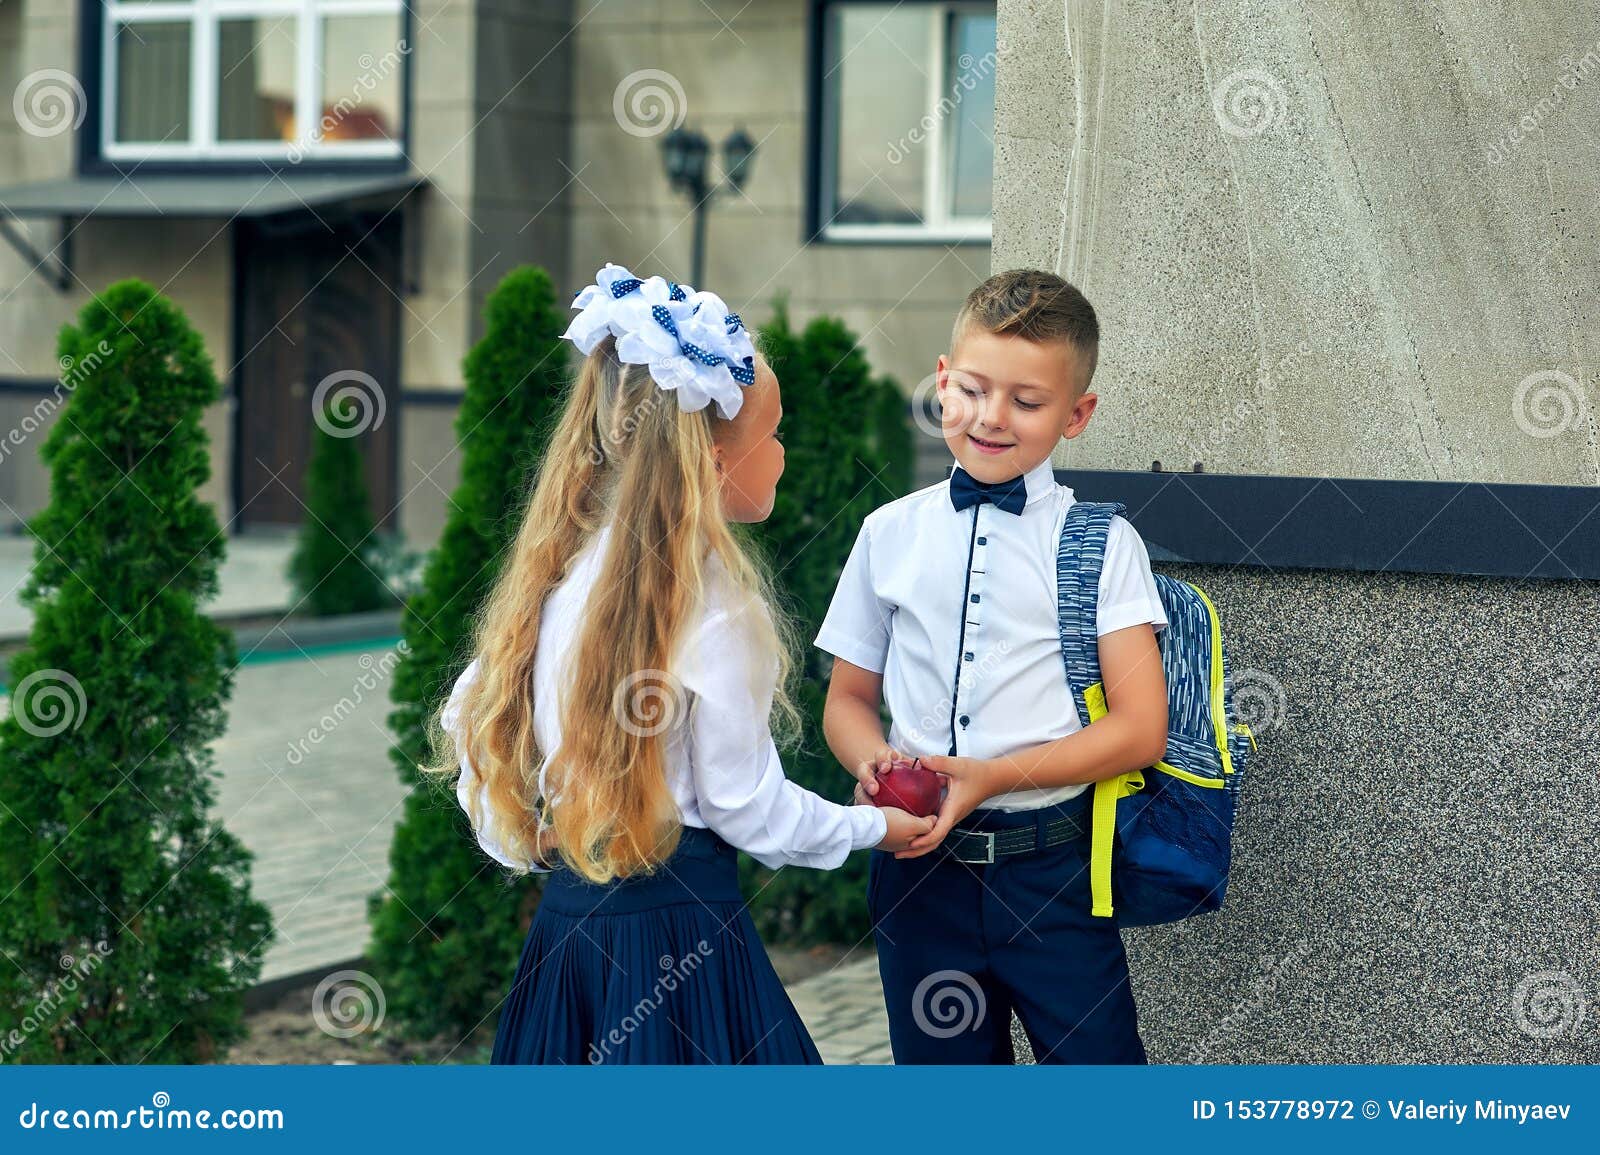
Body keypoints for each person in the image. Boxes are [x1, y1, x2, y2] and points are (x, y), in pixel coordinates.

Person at [430, 262, 932, 1065]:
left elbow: (474, 722)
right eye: (773, 434)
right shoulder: (712, 602)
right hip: (682, 945)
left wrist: (531, 838)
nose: (783, 453)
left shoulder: (557, 572)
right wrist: (875, 826)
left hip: (569, 937)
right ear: (714, 461)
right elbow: (744, 807)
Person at [815, 268, 1170, 1064]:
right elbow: (848, 700)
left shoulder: (1105, 546)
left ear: (1076, 415)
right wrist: (873, 763)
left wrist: (992, 776)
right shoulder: (887, 533)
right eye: (973, 390)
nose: (992, 417)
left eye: (1027, 401)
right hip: (918, 878)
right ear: (943, 381)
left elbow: (1141, 728)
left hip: (1054, 876)